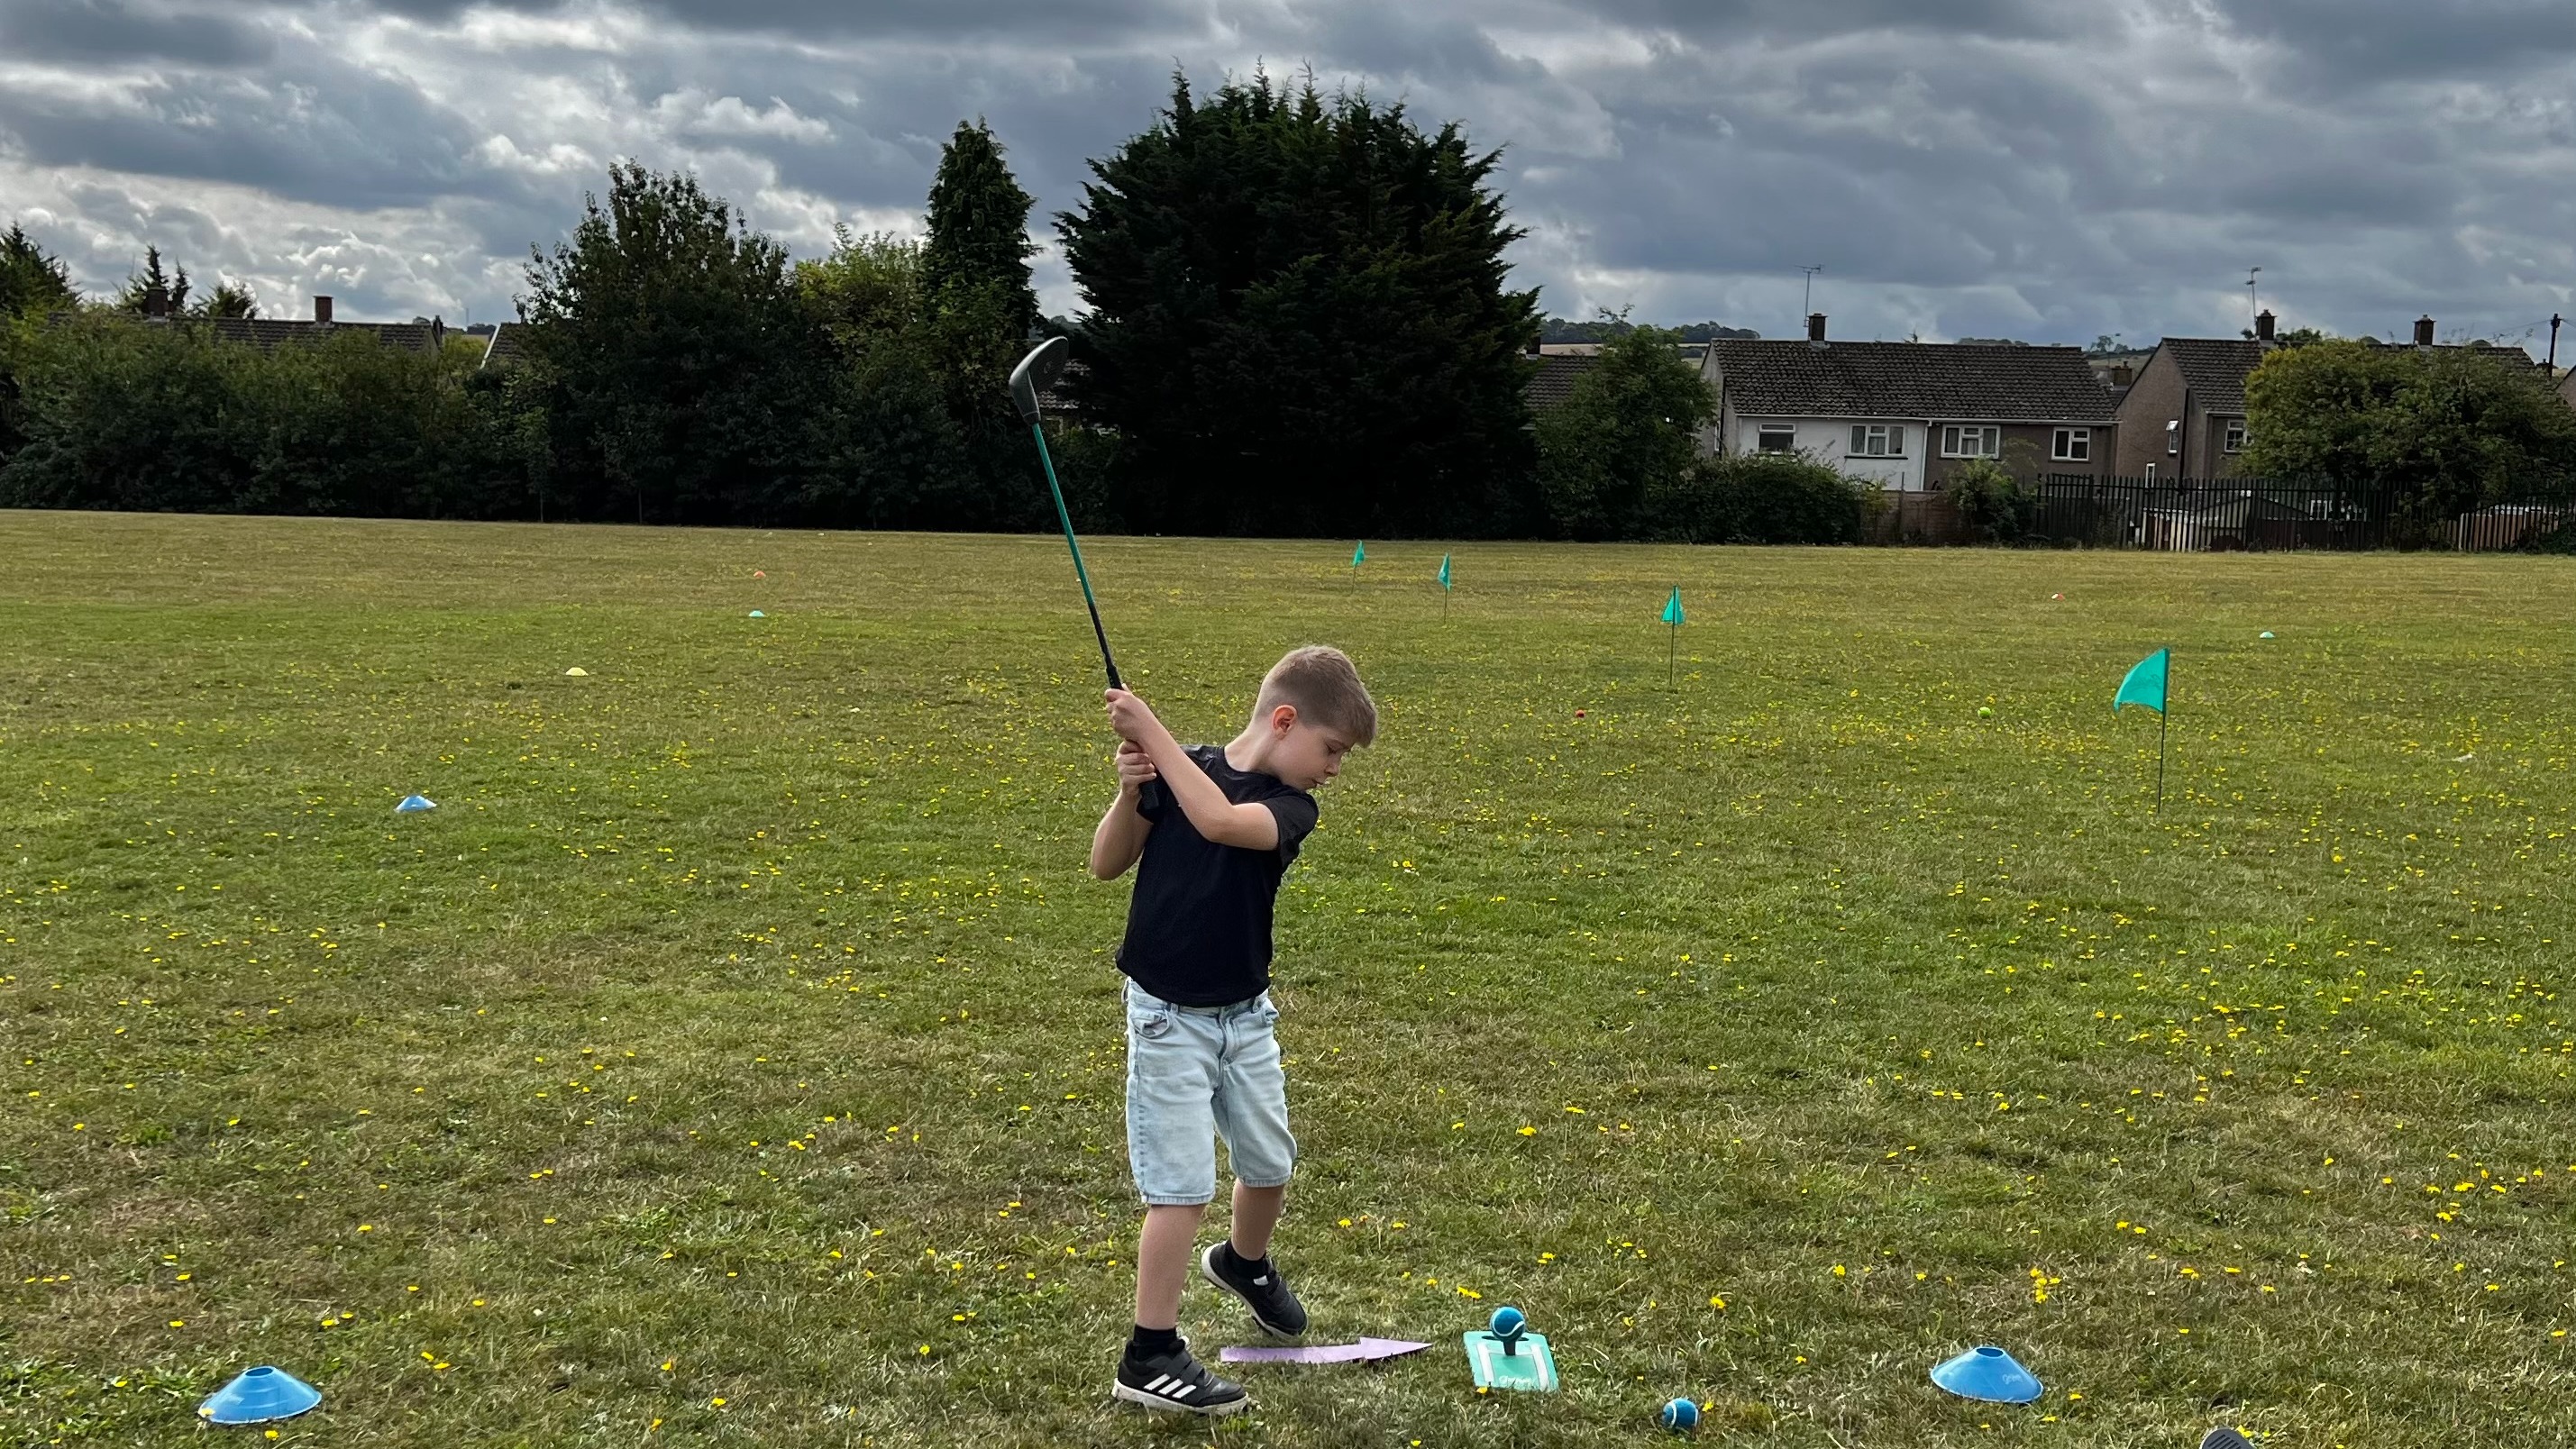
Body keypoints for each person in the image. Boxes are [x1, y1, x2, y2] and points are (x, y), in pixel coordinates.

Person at [1088, 645, 1377, 1416]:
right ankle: (1149, 1354)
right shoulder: (1179, 768)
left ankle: (1245, 1264)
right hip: (1166, 1018)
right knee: (1182, 1189)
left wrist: (1152, 732)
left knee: (1269, 1162)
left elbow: (1216, 819)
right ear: (1285, 721)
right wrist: (1131, 791)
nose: (1333, 770)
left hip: (1245, 1017)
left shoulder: (1291, 809)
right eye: (1331, 750)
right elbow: (1105, 864)